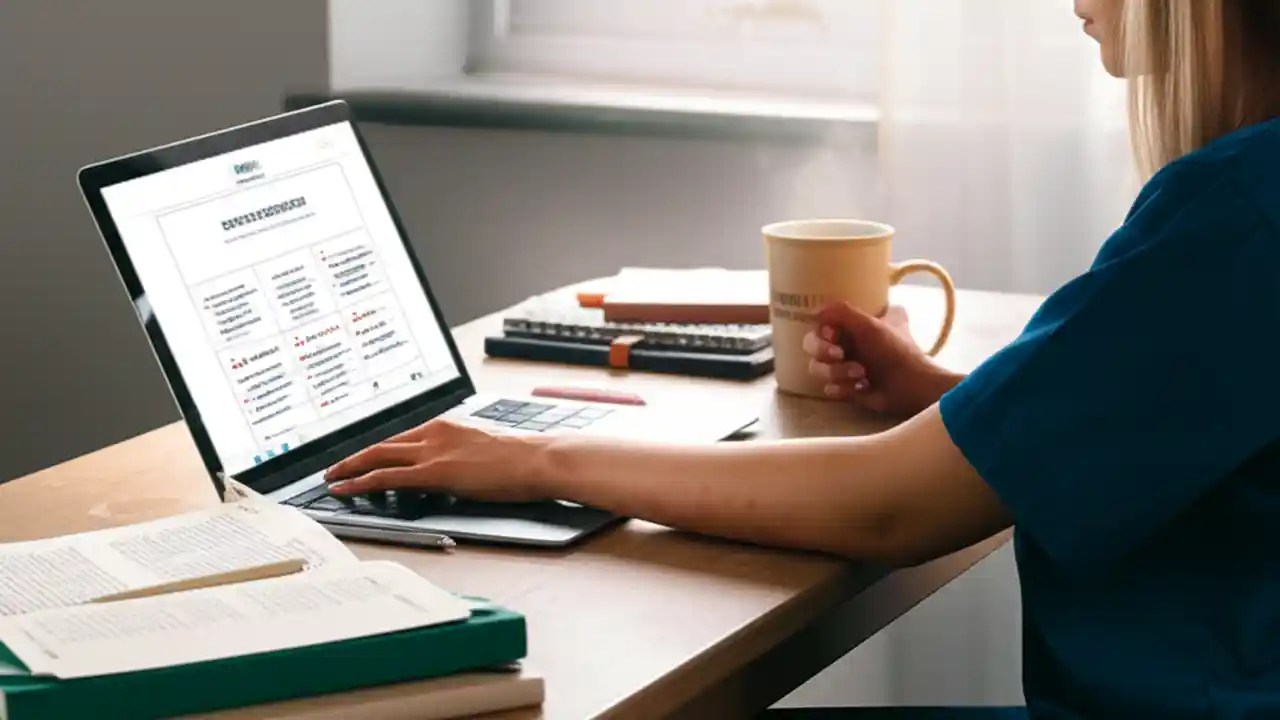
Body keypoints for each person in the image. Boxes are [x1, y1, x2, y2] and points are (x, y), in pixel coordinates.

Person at [325, 0, 1280, 716]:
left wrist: (539, 459)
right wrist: (946, 401)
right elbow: (1190, 426)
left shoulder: (1236, 217)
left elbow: (890, 505)